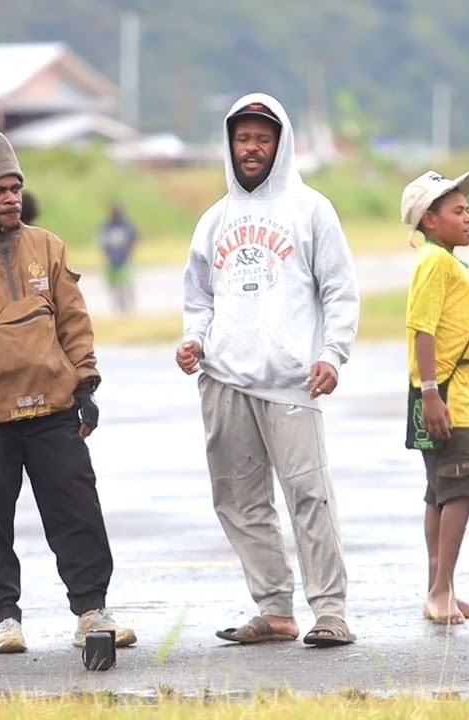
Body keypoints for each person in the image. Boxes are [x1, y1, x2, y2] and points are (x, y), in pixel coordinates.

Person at [0, 126, 136, 654]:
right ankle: (3, 620)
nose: (11, 197)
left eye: (15, 187)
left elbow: (74, 323)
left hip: (54, 410)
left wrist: (86, 383)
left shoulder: (47, 247)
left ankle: (91, 610)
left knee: (77, 509)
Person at [176, 93, 361, 647]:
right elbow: (198, 298)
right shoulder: (215, 219)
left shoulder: (312, 210)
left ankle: (330, 611)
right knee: (237, 498)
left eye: (262, 137)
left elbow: (340, 290)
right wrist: (193, 341)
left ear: (281, 144)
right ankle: (275, 609)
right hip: (225, 379)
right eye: (242, 138)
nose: (251, 148)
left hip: (291, 382)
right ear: (229, 144)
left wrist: (333, 354)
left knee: (309, 495)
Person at [400, 169, 469, 626]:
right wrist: (432, 394)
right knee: (462, 490)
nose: (468, 218)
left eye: (468, 210)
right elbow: (422, 328)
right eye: (458, 211)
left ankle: (446, 591)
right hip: (446, 398)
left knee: (441, 492)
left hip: (444, 395)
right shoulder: (435, 263)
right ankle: (440, 591)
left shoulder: (446, 261)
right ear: (430, 221)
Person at [97, 203, 139, 314]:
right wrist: (106, 256)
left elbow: (133, 239)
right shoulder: (107, 227)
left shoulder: (126, 225)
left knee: (126, 286)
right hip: (112, 261)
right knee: (114, 288)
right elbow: (103, 243)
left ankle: (129, 310)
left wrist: (130, 253)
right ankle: (117, 311)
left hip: (124, 260)